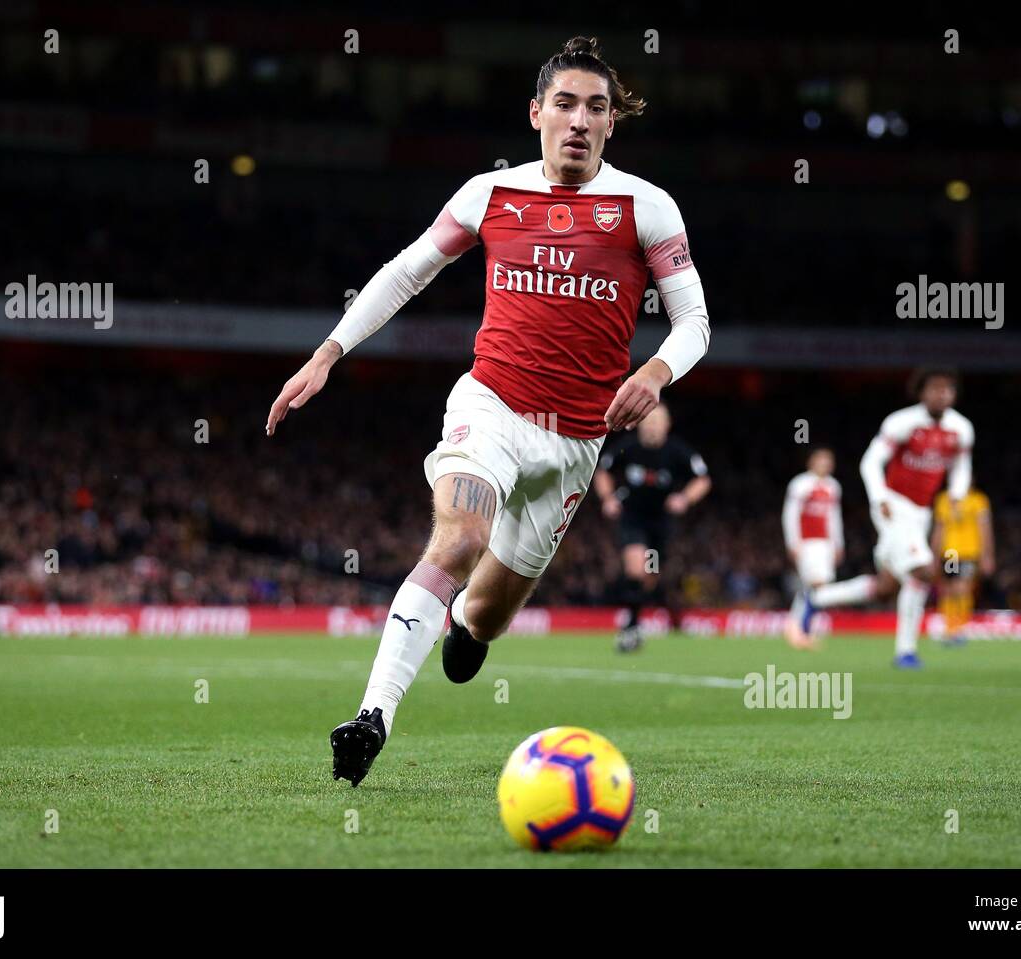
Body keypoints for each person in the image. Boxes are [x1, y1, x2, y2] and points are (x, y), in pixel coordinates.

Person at [265, 37, 710, 785]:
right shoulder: (490, 193)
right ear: (536, 112)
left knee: (487, 617)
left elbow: (694, 319)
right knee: (459, 536)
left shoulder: (647, 207)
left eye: (595, 107)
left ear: (610, 124)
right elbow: (407, 271)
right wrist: (328, 352)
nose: (578, 120)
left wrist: (660, 368)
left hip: (575, 443)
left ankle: (468, 625)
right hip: (491, 406)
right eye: (564, 103)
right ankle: (373, 715)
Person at [785, 369, 974, 668]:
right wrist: (879, 497)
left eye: (947, 389)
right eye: (935, 389)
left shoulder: (961, 429)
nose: (942, 394)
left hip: (921, 513)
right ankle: (906, 651)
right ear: (921, 392)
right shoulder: (902, 422)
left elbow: (961, 466)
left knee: (886, 587)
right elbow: (871, 461)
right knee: (923, 571)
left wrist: (957, 494)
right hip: (893, 506)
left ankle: (817, 600)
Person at [593, 402, 711, 651]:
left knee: (649, 578)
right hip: (633, 518)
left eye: (658, 422)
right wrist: (608, 498)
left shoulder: (678, 451)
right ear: (640, 424)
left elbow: (702, 479)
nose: (653, 427)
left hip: (662, 523)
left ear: (667, 426)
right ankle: (630, 629)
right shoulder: (628, 447)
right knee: (636, 569)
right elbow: (603, 471)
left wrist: (684, 498)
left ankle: (632, 622)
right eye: (649, 422)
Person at [781, 447, 843, 649]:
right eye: (821, 460)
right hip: (807, 543)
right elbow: (790, 514)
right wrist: (793, 542)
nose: (825, 464)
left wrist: (837, 544)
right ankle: (800, 630)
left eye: (828, 460)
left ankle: (797, 629)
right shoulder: (800, 484)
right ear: (811, 462)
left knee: (817, 588)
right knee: (815, 585)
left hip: (825, 544)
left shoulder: (833, 487)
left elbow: (834, 518)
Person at [930, 486, 994, 643]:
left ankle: (960, 628)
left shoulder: (978, 500)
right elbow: (939, 529)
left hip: (969, 552)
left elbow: (984, 529)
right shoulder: (943, 500)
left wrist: (987, 555)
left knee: (963, 588)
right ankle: (949, 628)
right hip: (951, 553)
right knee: (948, 590)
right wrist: (933, 555)